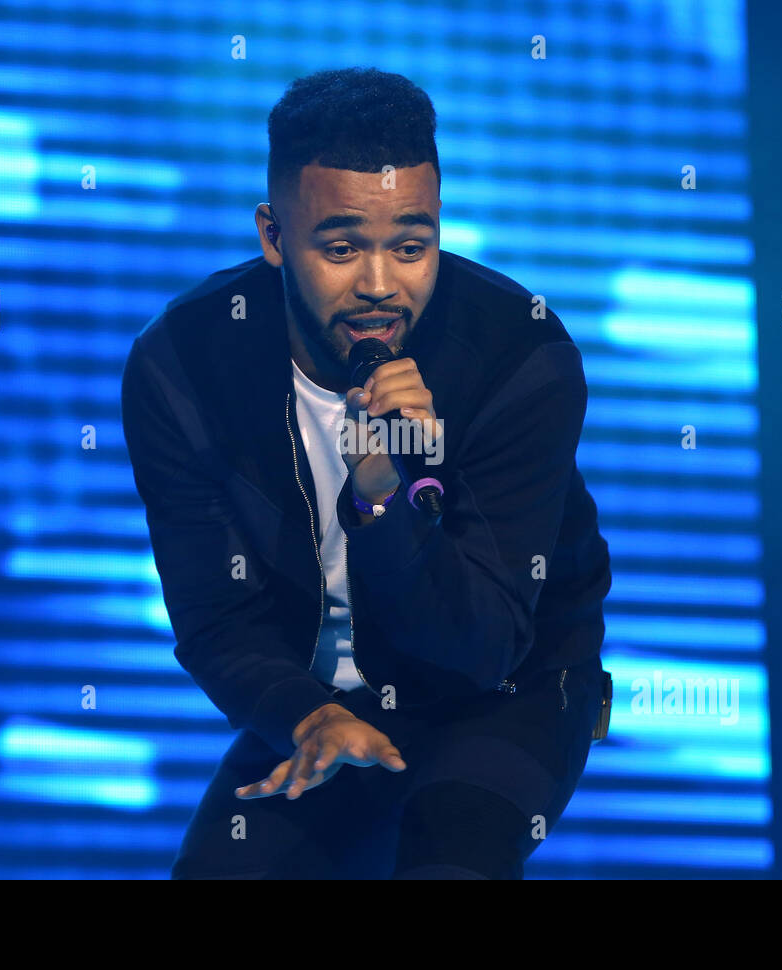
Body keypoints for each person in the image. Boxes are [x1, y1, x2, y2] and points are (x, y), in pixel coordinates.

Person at [121, 67, 613, 879]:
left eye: (411, 246)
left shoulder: (520, 355)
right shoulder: (181, 365)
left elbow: (480, 647)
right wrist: (307, 716)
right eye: (343, 247)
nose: (381, 285)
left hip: (507, 690)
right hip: (320, 699)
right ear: (274, 236)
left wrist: (381, 495)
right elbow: (216, 619)